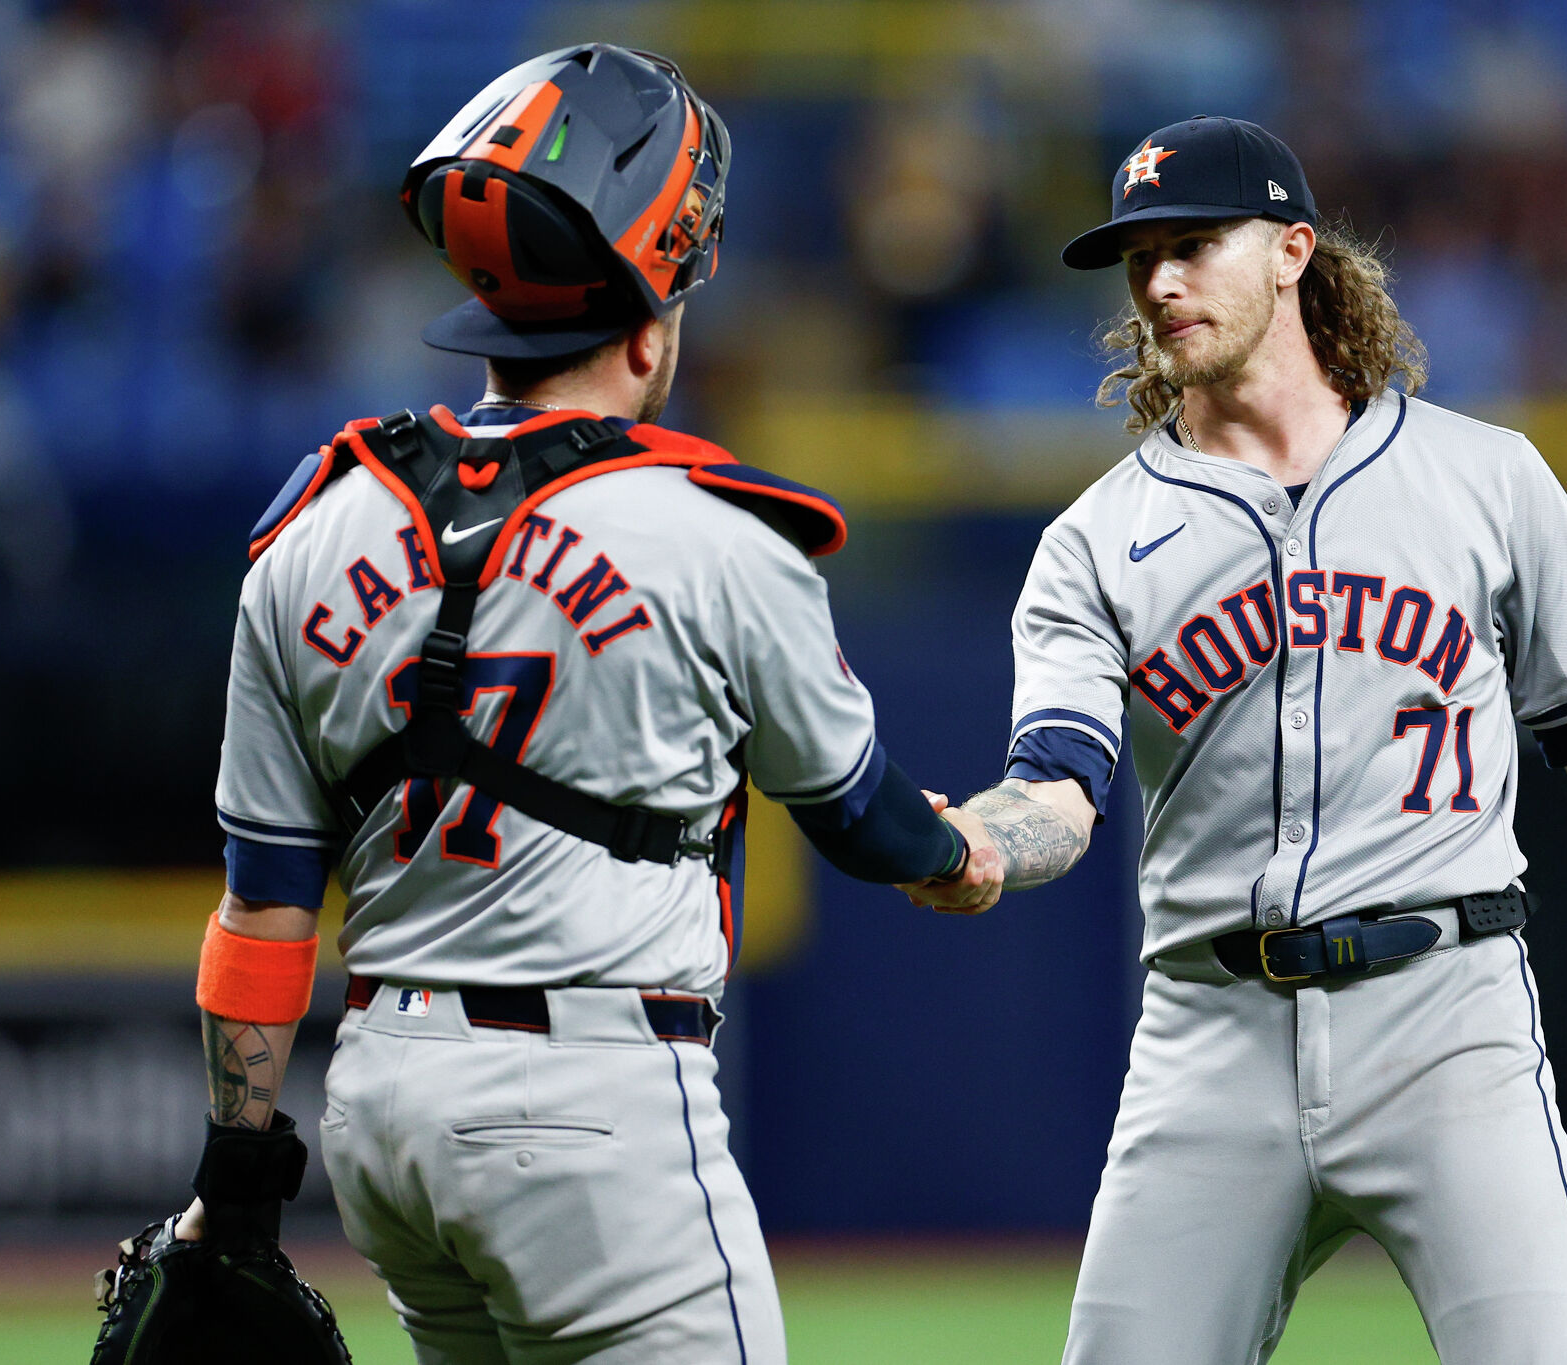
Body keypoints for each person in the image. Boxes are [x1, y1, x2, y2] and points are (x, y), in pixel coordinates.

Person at [900, 115, 1567, 1363]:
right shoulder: (1090, 544)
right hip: (1209, 1041)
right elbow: (1057, 786)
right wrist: (982, 847)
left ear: (1291, 249)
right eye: (1138, 259)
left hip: (1447, 1022)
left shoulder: (1485, 481)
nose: (1160, 280)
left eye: (1193, 244)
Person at [180, 45, 988, 1364]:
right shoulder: (716, 535)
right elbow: (858, 816)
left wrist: (231, 1188)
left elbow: (263, 905)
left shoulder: (315, 529)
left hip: (381, 1107)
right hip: (588, 1099)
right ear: (656, 307)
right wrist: (965, 854)